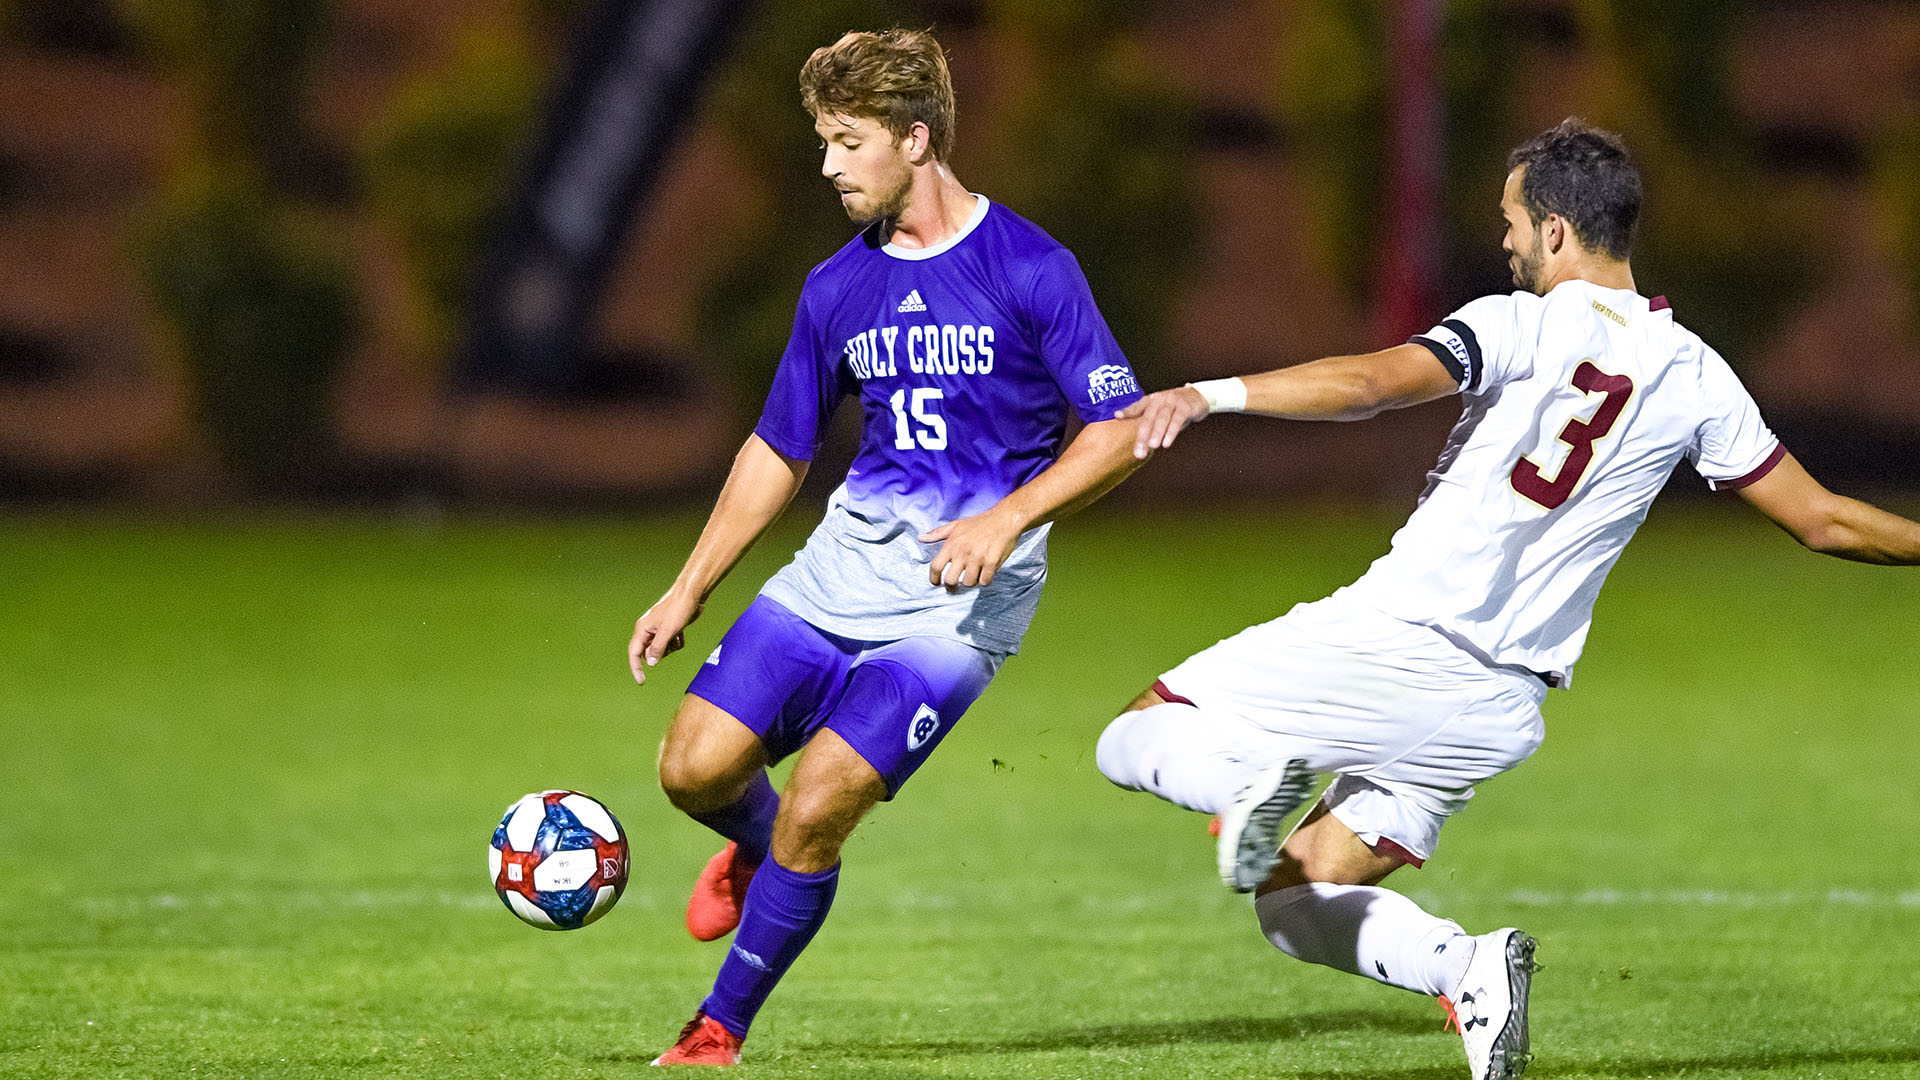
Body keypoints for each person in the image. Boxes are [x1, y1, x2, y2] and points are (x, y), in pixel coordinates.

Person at [1094, 118, 1920, 1080]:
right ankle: (1470, 967)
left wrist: (1211, 394)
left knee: (1137, 730)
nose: (1505, 242)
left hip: (1403, 637)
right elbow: (1822, 519)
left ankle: (1245, 782)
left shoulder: (1515, 323)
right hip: (1496, 707)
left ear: (1558, 231)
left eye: (1513, 221)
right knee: (1294, 900)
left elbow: (1367, 383)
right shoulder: (1696, 372)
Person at [628, 28, 1146, 1066]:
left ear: (916, 140)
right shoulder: (837, 288)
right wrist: (687, 587)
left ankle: (715, 1029)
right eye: (823, 140)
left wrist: (1009, 518)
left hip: (960, 606)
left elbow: (1121, 430)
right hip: (836, 574)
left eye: (846, 140)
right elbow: (781, 446)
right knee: (691, 769)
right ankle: (764, 856)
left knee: (818, 808)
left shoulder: (1031, 269)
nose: (827, 164)